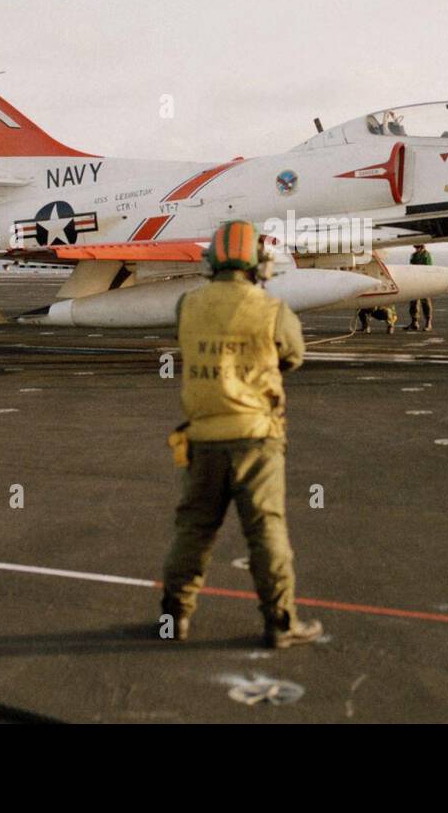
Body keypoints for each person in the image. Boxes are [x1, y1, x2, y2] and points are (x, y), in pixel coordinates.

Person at [160, 220, 322, 649]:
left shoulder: (187, 304)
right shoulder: (272, 310)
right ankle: (281, 623)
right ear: (258, 264)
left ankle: (173, 619)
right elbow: (294, 356)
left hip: (202, 439)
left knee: (193, 530)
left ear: (211, 261)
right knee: (266, 530)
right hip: (256, 439)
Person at [407, 245, 434, 331]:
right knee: (413, 302)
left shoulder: (427, 255)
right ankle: (414, 322)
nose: (416, 249)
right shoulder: (414, 255)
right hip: (415, 280)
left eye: (418, 247)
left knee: (425, 302)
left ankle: (428, 323)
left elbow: (428, 268)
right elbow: (411, 266)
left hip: (424, 281)